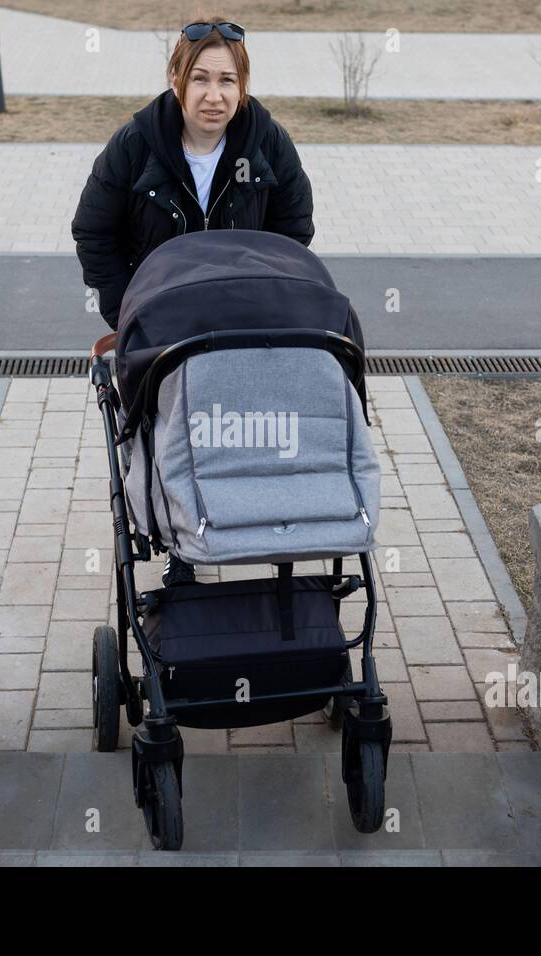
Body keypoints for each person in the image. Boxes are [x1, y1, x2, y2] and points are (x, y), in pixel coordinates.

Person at [71, 16, 315, 587]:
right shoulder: (136, 144)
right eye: (201, 78)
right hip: (165, 333)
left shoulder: (266, 142)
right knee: (180, 431)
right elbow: (93, 232)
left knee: (256, 427)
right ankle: (189, 543)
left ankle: (265, 533)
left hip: (245, 327)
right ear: (176, 78)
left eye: (227, 81)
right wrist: (128, 312)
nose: (214, 95)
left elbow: (293, 230)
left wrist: (265, 299)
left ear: (243, 86)